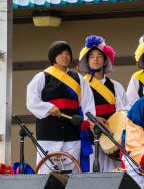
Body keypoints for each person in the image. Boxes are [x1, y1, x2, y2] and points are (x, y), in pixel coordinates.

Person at [26, 41, 96, 172]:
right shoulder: (42, 77)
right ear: (53, 56)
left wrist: (89, 121)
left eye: (68, 53)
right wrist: (48, 108)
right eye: (61, 53)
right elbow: (31, 101)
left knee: (72, 170)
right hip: (48, 133)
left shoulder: (78, 78)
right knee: (47, 171)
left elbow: (88, 103)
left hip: (72, 132)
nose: (65, 56)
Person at [76, 35, 128, 172]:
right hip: (90, 137)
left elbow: (124, 111)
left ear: (105, 60)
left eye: (99, 56)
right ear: (87, 61)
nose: (95, 59)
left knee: (114, 175)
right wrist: (92, 120)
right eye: (92, 56)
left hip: (112, 137)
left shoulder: (116, 86)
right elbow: (78, 111)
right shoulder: (80, 85)